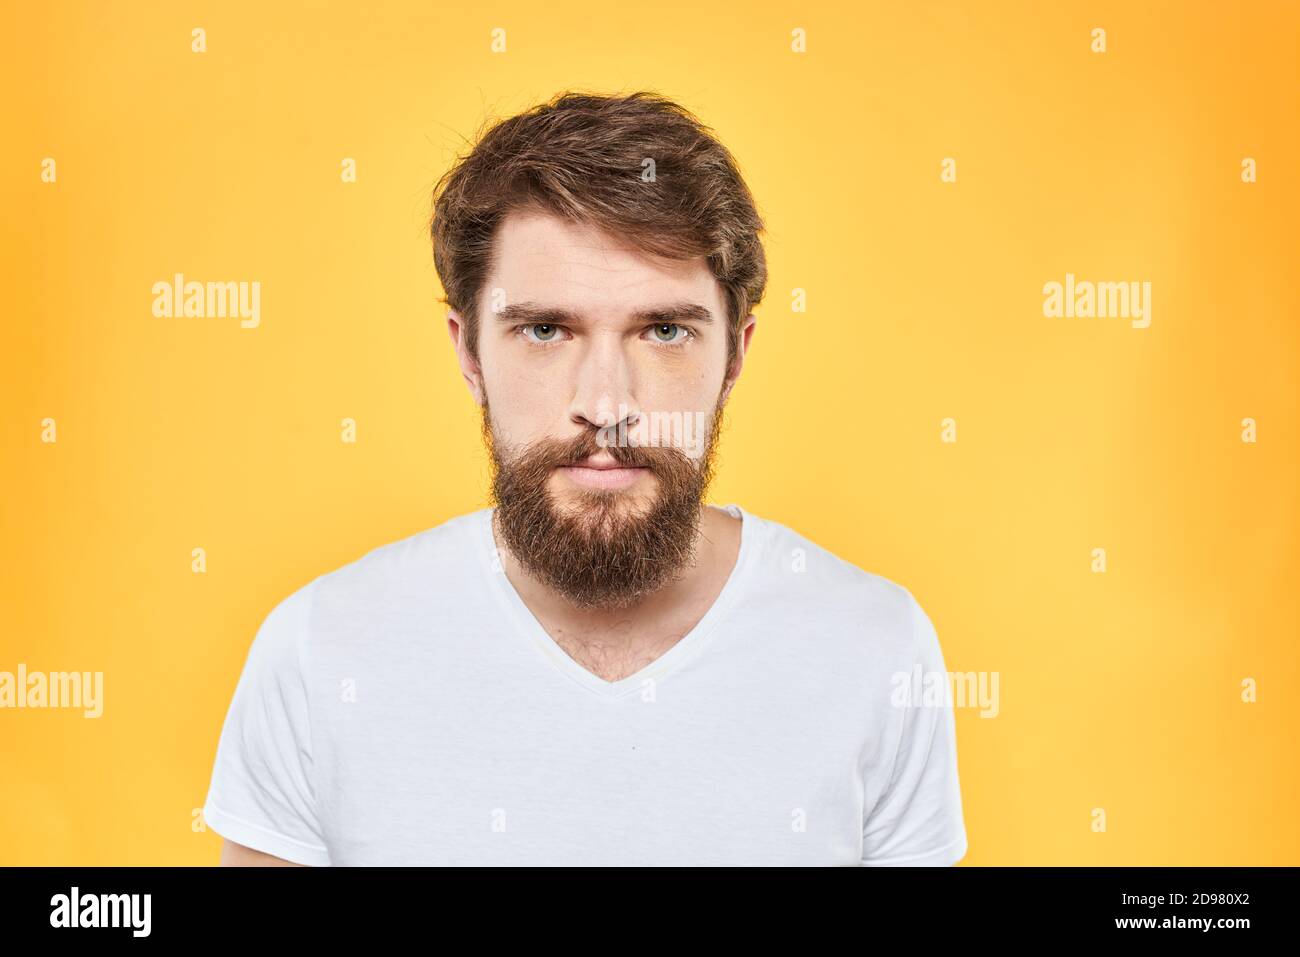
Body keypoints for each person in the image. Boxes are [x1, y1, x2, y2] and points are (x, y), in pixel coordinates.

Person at [202, 90, 968, 866]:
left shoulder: (874, 646)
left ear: (734, 356)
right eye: (545, 330)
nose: (606, 405)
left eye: (665, 331)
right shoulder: (320, 650)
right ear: (470, 354)